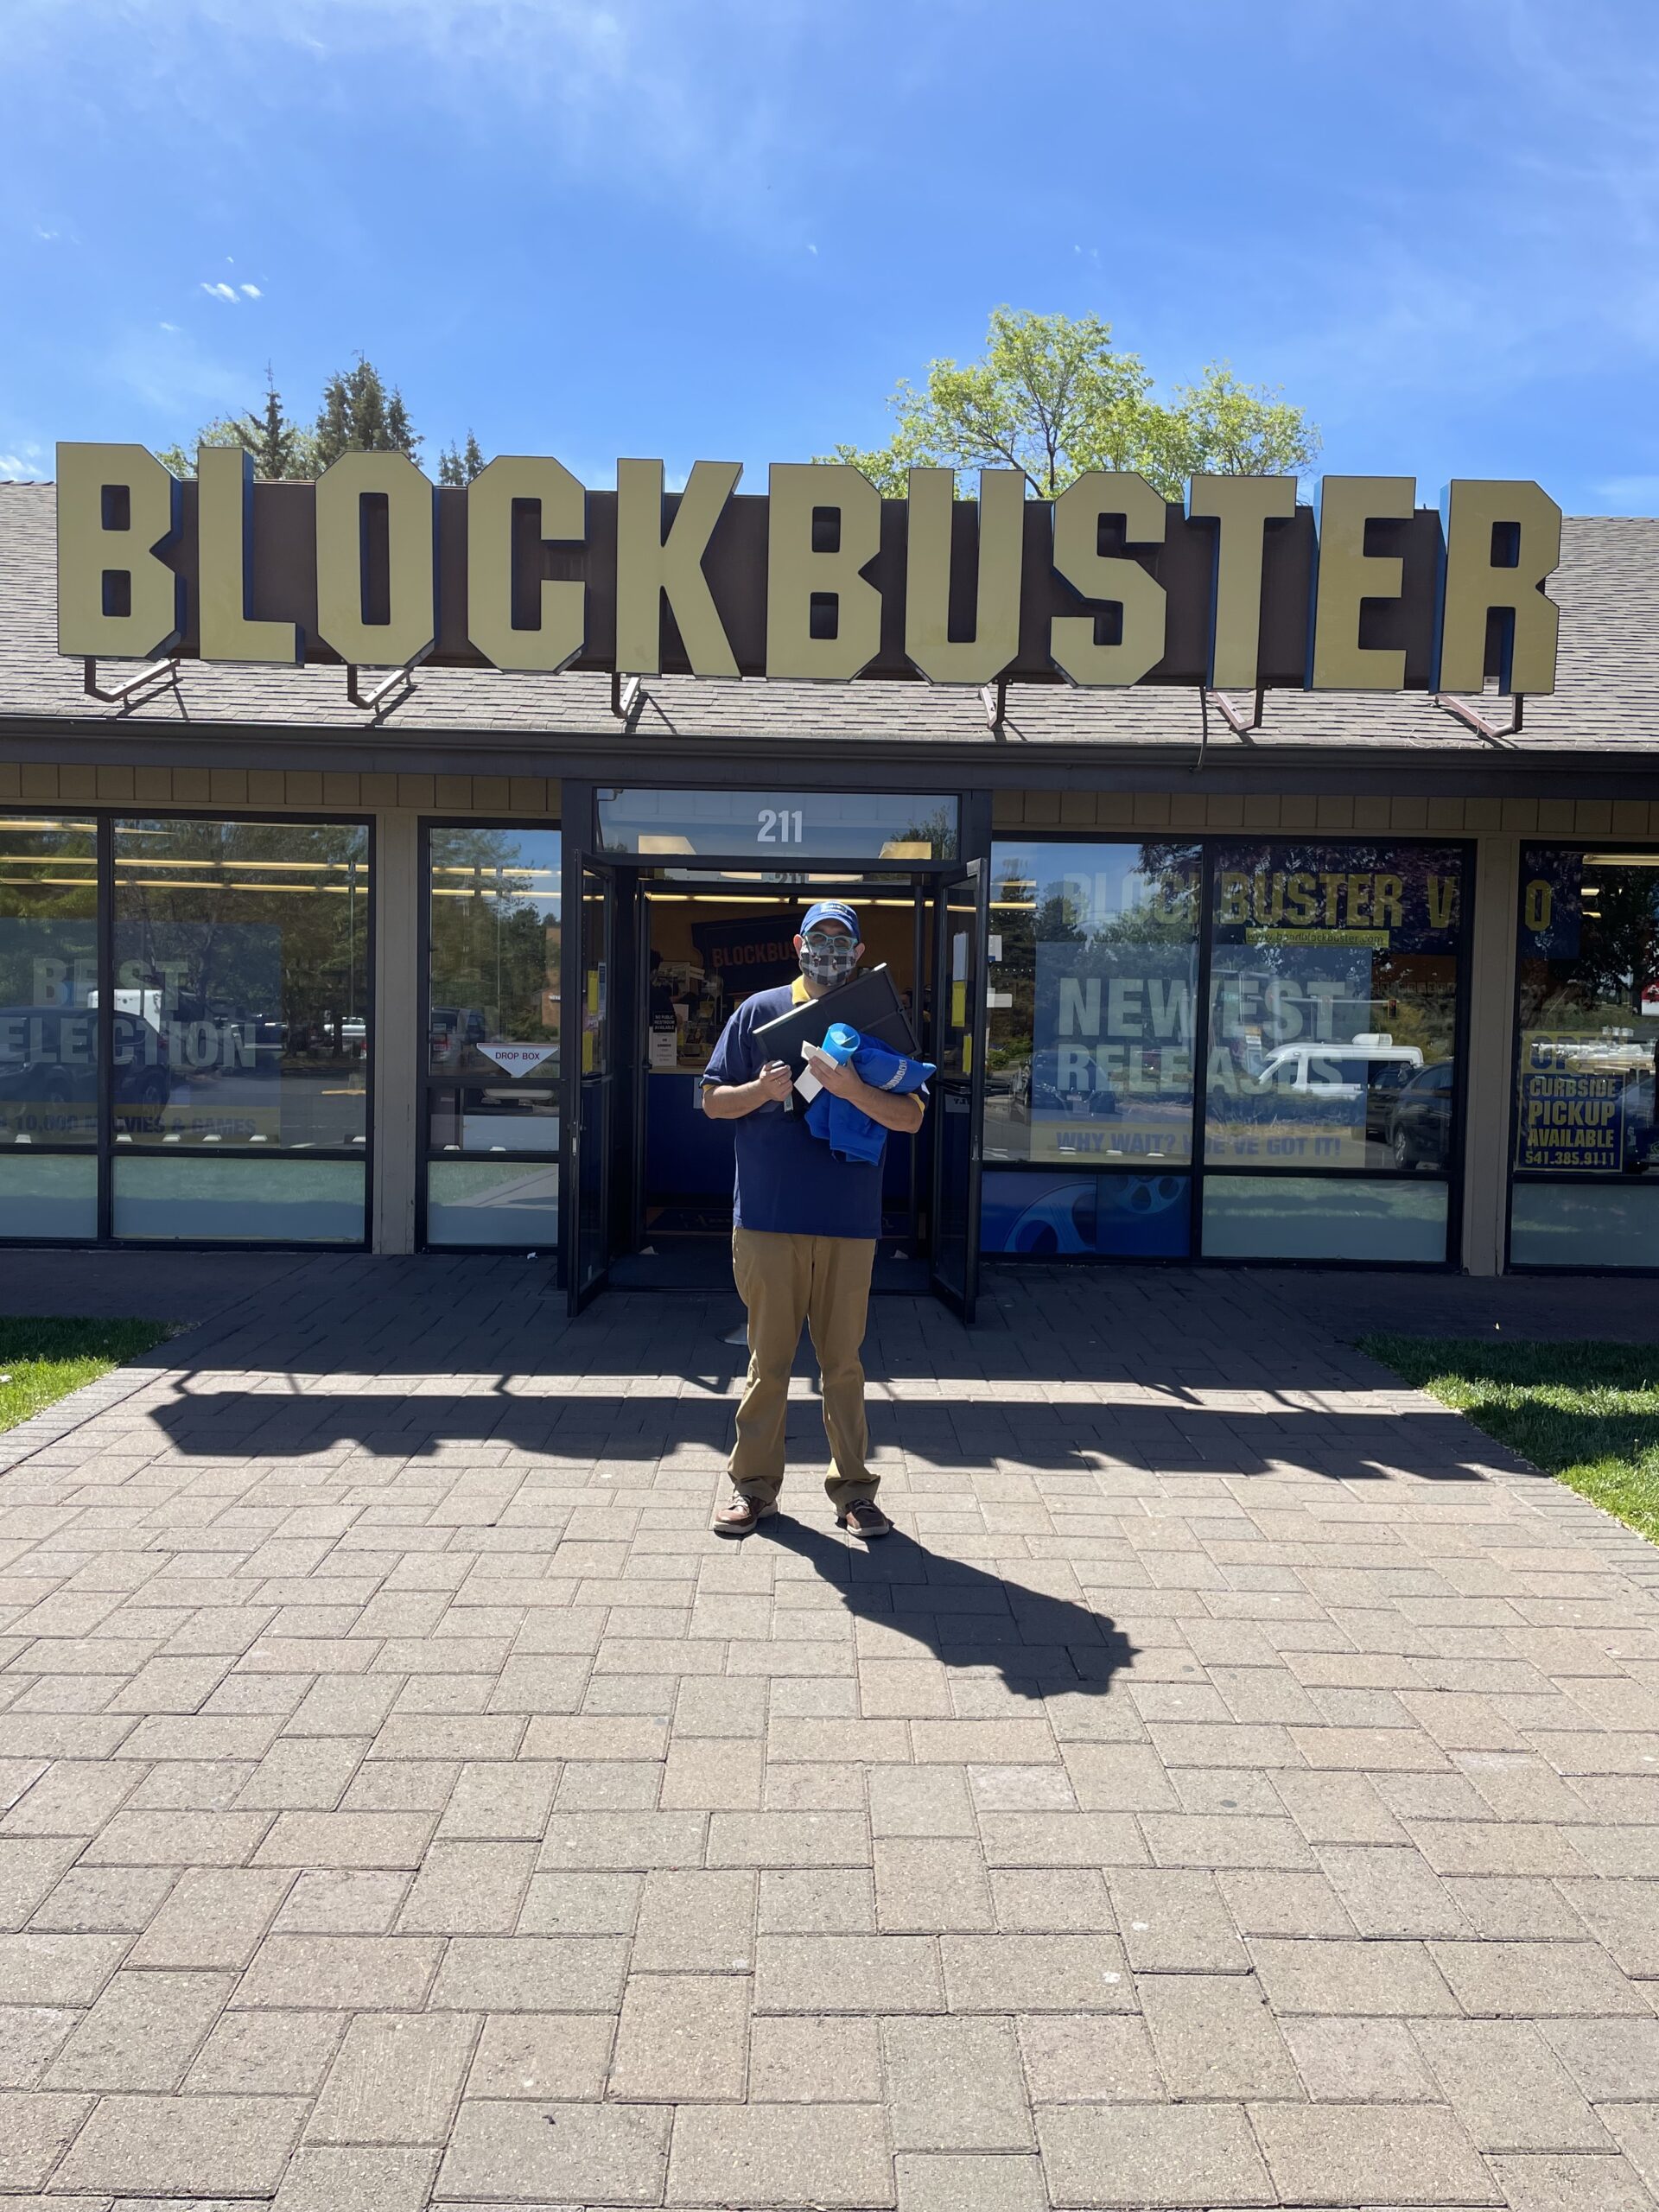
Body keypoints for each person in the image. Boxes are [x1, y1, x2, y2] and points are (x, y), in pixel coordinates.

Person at [700, 901, 925, 1538]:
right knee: (767, 1364)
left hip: (849, 1222)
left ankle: (855, 1493)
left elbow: (911, 1117)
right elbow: (714, 1102)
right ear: (799, 944)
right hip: (769, 1218)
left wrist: (853, 1089)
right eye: (818, 939)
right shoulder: (759, 1012)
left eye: (842, 942)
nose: (829, 951)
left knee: (843, 1366)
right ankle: (752, 1490)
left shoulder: (875, 1020)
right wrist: (762, 1094)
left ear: (858, 953)